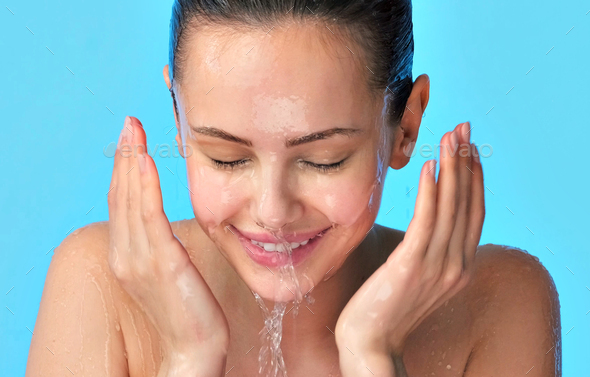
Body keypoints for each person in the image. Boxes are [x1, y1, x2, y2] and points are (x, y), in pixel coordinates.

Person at [26, 1, 561, 376]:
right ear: (178, 120)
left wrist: (373, 356)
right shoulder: (100, 285)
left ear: (405, 128)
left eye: (323, 160)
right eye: (226, 157)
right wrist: (188, 360)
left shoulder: (497, 304)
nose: (272, 211)